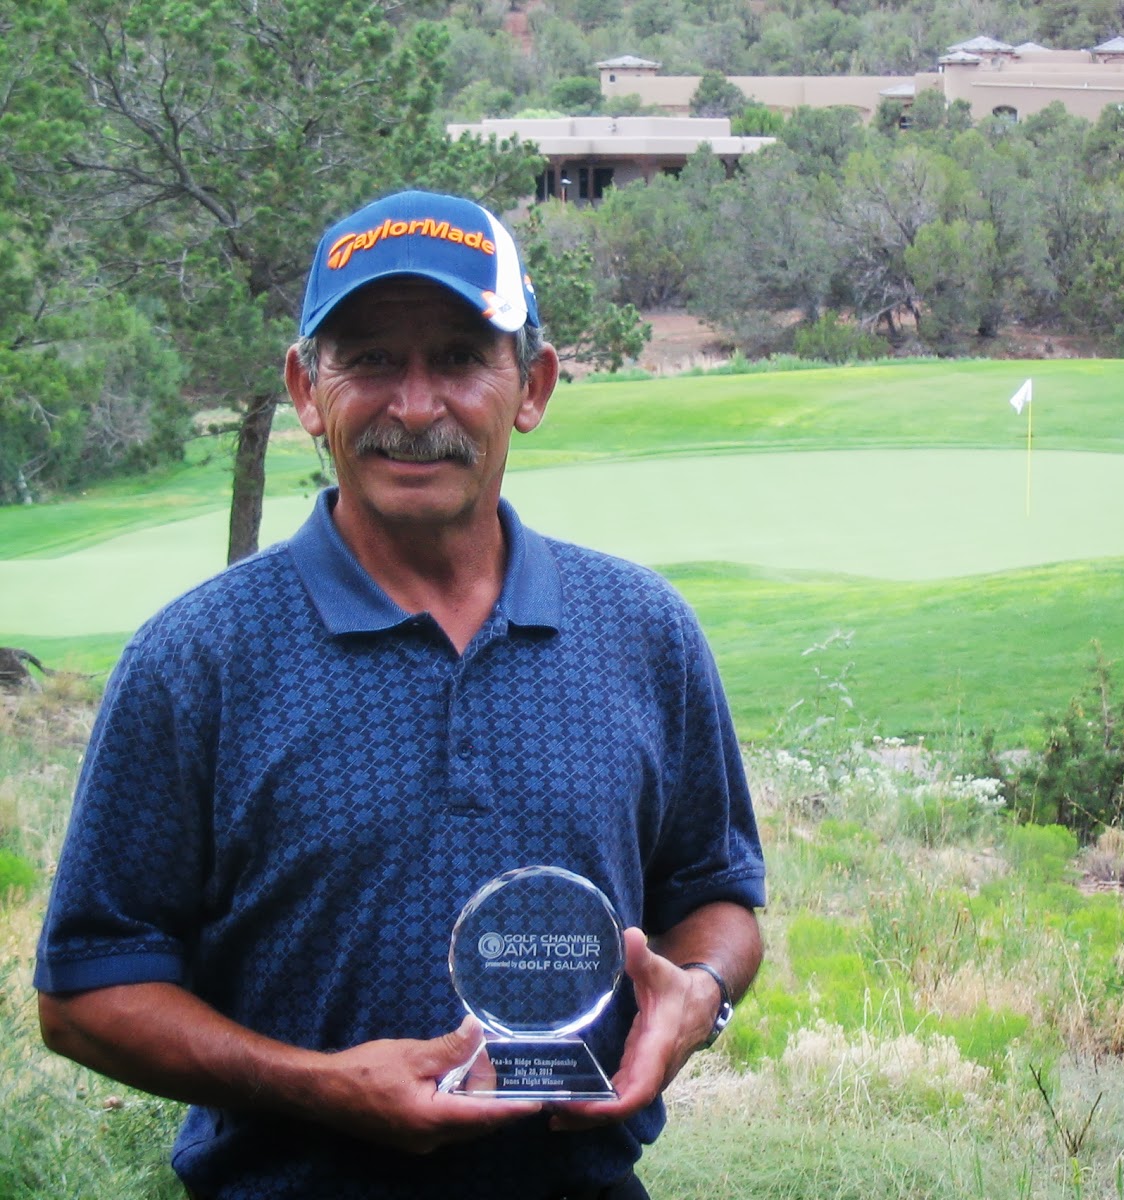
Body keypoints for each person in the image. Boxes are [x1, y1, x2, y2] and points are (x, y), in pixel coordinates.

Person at [34, 190, 766, 1199]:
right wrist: (319, 1086)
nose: (414, 408)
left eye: (462, 358)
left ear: (533, 385)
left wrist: (701, 994)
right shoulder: (196, 658)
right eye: (371, 360)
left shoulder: (641, 631)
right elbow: (85, 994)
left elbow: (716, 894)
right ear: (305, 388)